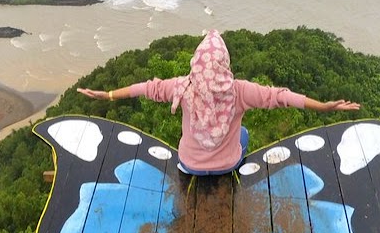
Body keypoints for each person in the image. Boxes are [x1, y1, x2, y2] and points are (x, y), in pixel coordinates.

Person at [77, 30, 360, 175]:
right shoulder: (239, 91)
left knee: (188, 136)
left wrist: (108, 95)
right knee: (244, 133)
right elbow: (281, 97)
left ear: (196, 61)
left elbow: (146, 88)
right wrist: (323, 106)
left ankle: (195, 166)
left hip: (189, 164)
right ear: (225, 62)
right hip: (228, 165)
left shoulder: (183, 86)